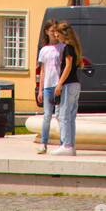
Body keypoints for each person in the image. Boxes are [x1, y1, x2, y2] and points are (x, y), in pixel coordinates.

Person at [53, 21, 82, 155]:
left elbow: (68, 66)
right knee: (70, 116)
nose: (55, 36)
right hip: (75, 84)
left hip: (69, 84)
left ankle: (67, 145)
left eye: (57, 34)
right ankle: (71, 145)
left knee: (64, 116)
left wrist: (59, 84)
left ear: (63, 34)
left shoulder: (67, 48)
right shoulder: (75, 47)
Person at [36, 23, 63, 153]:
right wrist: (40, 89)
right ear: (46, 32)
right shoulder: (44, 50)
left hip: (59, 85)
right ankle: (43, 143)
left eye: (56, 31)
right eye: (51, 31)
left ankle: (63, 142)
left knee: (60, 115)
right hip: (47, 86)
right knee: (47, 115)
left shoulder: (62, 47)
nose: (54, 33)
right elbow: (42, 70)